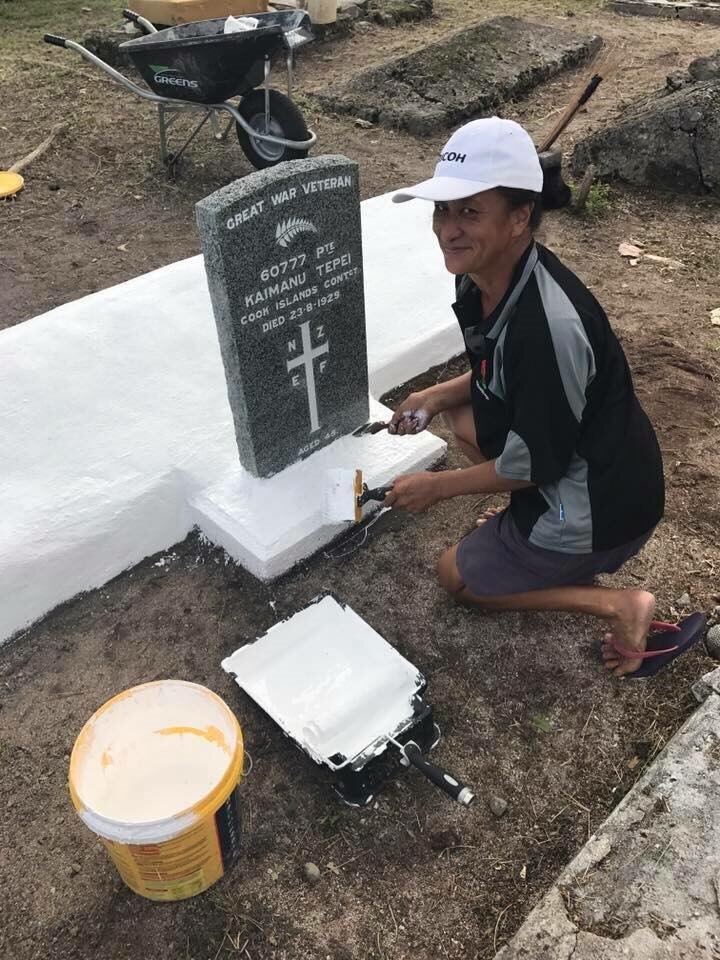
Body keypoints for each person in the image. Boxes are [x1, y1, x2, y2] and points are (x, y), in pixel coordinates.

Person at [384, 117, 695, 679]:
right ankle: (525, 526)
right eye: (442, 210)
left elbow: (535, 462)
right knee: (458, 415)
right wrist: (431, 394)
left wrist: (436, 488)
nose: (447, 229)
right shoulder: (481, 276)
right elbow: (495, 371)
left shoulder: (549, 325)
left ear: (520, 216)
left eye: (470, 211)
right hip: (580, 455)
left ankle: (621, 604)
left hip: (602, 503)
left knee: (455, 578)